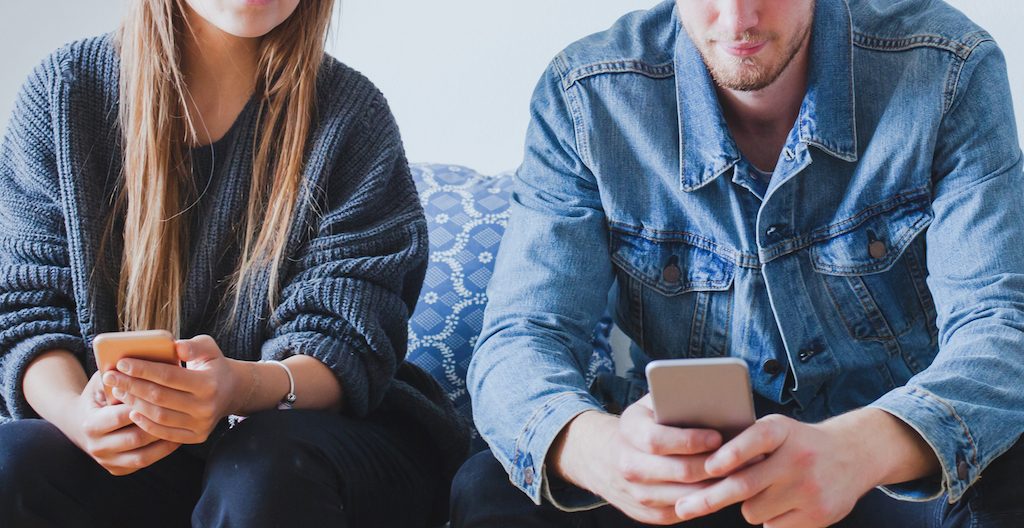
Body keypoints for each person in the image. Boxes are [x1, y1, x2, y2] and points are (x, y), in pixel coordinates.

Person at [452, 0, 1024, 526]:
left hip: (894, 466)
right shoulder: (584, 98)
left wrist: (863, 449)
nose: (738, 18)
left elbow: (1000, 325)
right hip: (697, 475)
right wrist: (594, 450)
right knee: (492, 485)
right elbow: (520, 337)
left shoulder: (948, 68)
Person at [0, 0, 468, 526]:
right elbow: (28, 310)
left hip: (318, 443)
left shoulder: (350, 113)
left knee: (260, 465)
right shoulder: (65, 92)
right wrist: (76, 416)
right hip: (150, 456)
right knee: (12, 462)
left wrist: (238, 388)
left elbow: (347, 339)